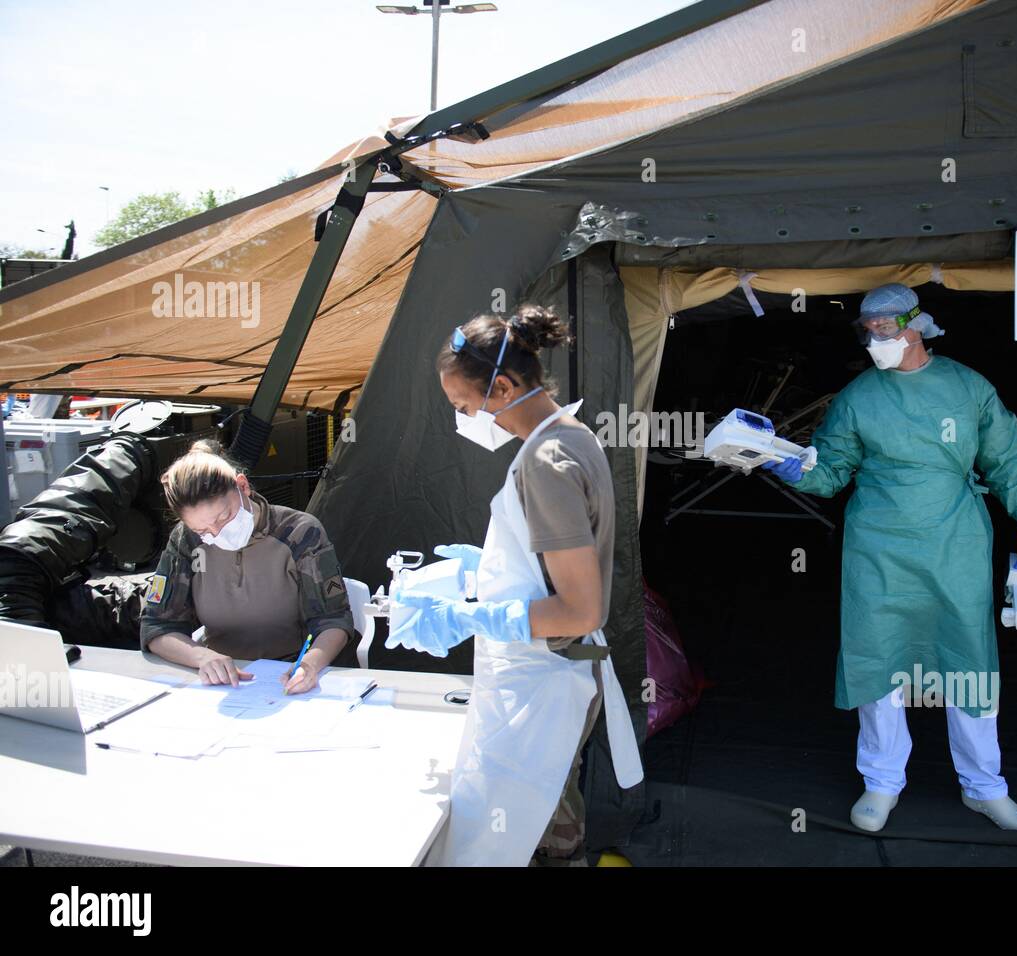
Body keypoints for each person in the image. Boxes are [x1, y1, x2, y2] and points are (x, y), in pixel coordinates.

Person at [764, 283, 1017, 833]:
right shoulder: (858, 396)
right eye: (867, 328)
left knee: (968, 660)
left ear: (918, 325)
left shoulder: (967, 389)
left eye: (885, 327)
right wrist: (797, 469)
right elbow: (832, 470)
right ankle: (881, 782)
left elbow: (1005, 460)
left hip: (955, 542)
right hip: (878, 545)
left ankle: (984, 786)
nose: (875, 337)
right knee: (879, 657)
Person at [387, 304, 642, 867]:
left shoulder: (547, 461)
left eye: (464, 405)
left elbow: (579, 609)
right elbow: (555, 556)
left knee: (529, 829)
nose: (464, 418)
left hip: (546, 677)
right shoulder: (570, 436)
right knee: (542, 808)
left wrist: (474, 615)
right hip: (553, 673)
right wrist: (485, 569)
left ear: (501, 386)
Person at [139, 440, 355, 693]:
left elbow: (333, 620)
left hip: (289, 673)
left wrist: (310, 664)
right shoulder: (186, 540)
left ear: (243, 487)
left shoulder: (299, 532)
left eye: (224, 517)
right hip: (219, 679)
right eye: (203, 530)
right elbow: (157, 627)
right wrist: (202, 658)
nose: (217, 533)